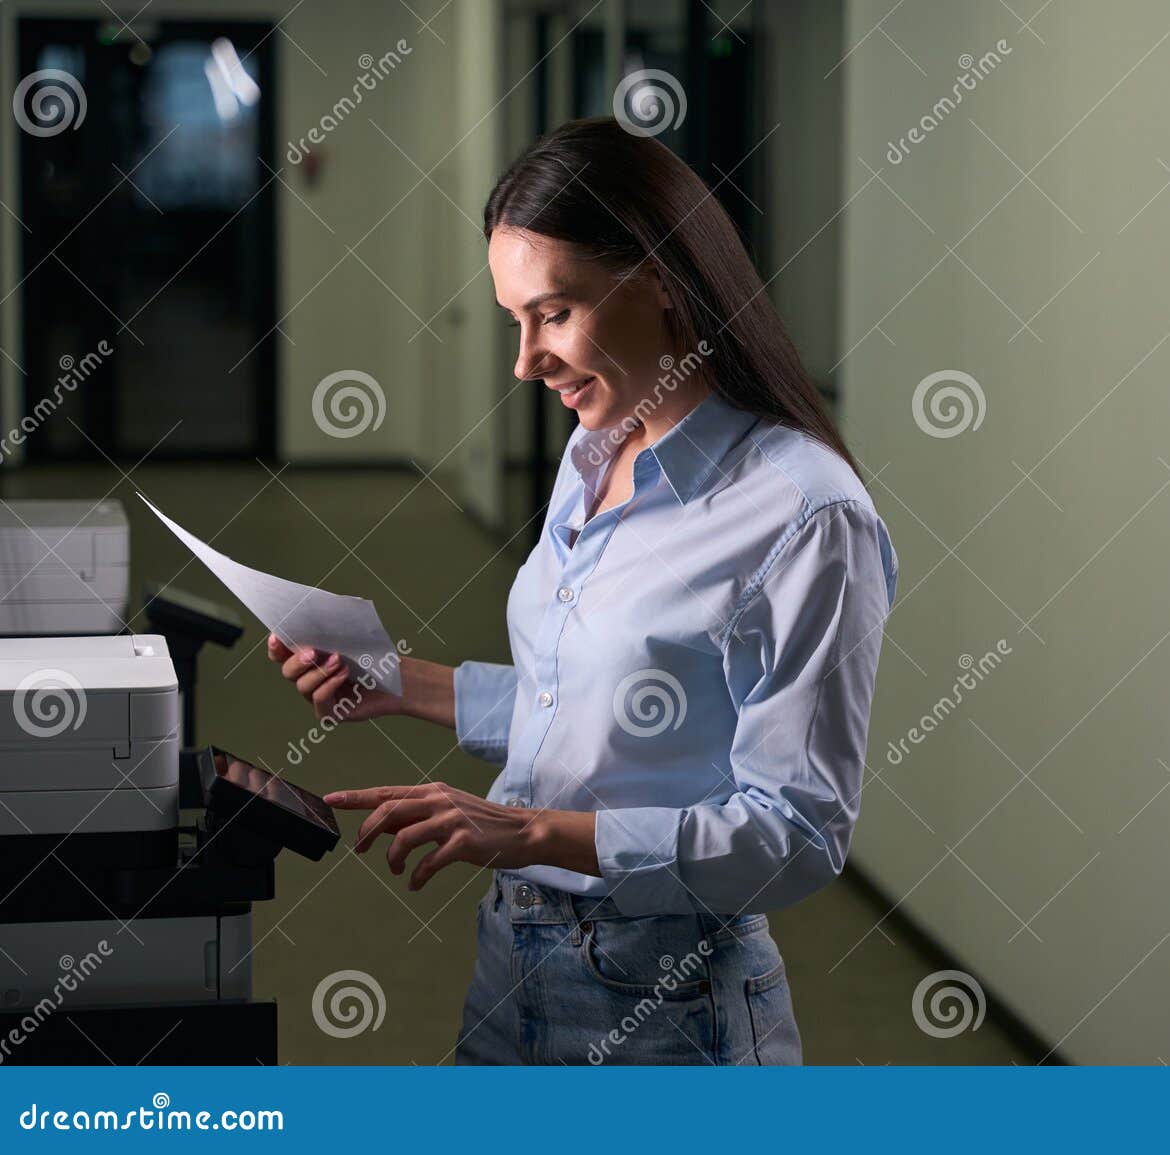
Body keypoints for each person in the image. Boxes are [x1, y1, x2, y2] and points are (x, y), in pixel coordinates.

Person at [266, 117, 897, 1065]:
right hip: (513, 960)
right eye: (514, 319)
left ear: (664, 284)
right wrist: (406, 683)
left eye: (553, 315)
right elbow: (599, 705)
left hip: (672, 1006)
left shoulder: (806, 514)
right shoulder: (596, 448)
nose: (525, 362)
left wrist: (532, 831)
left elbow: (799, 833)